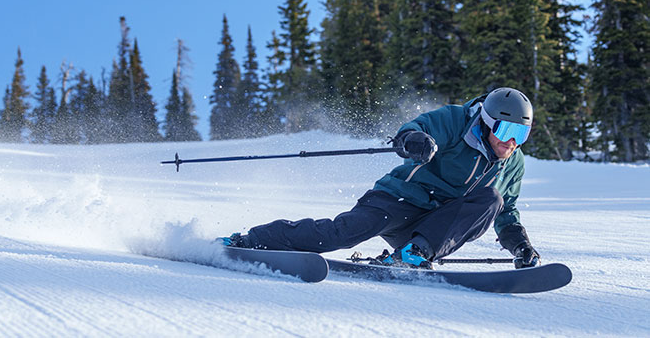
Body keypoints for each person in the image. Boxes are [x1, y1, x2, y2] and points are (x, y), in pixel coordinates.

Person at [221, 87, 541, 269]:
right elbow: (418, 128)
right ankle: (251, 239)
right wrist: (414, 140)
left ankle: (413, 254)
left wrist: (519, 246)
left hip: (430, 229)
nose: (510, 141)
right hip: (399, 198)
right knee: (340, 234)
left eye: (520, 134)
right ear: (486, 122)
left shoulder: (513, 163)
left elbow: (506, 211)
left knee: (492, 199)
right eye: (504, 130)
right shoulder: (459, 121)